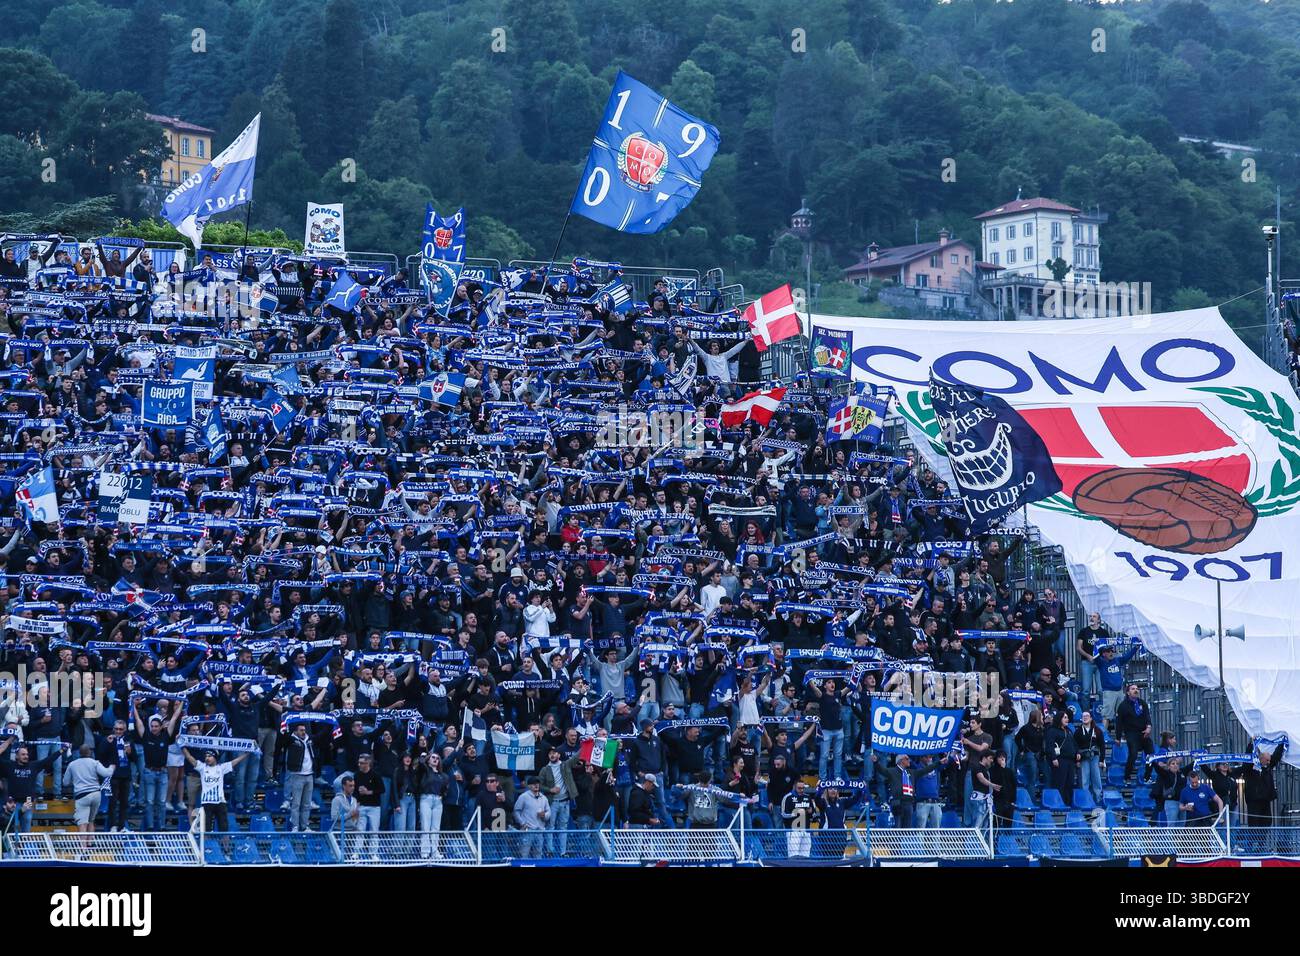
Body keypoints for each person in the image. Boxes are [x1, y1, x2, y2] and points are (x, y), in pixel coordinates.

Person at [184, 746, 250, 837]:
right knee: (206, 830)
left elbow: (236, 761)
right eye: (206, 756)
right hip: (207, 803)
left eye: (210, 756)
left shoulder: (222, 768)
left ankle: (225, 849)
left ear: (215, 757)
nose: (207, 758)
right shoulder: (202, 767)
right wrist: (182, 747)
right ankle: (206, 849)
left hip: (220, 802)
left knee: (224, 829)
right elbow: (189, 758)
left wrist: (247, 753)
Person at [62, 744, 114, 839]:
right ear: (90, 752)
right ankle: (90, 844)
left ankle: (83, 849)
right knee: (91, 820)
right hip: (96, 794)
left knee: (82, 823)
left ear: (79, 753)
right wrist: (112, 766)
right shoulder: (95, 763)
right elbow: (107, 773)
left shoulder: (72, 764)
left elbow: (65, 783)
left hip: (82, 796)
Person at [1116, 684, 1154, 783]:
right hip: (1131, 733)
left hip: (1143, 732)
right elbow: (1119, 723)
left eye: (1137, 689)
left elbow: (1147, 716)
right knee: (1133, 754)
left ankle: (1147, 777)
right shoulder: (1123, 706)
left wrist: (1149, 727)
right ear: (1128, 692)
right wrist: (1118, 737)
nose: (1136, 690)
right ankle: (1127, 776)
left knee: (1151, 754)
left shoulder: (1143, 703)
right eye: (1133, 689)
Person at [1073, 709, 1105, 807]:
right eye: (1083, 716)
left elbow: (1102, 746)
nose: (1085, 717)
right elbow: (1075, 746)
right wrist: (1077, 760)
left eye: (1087, 716)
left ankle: (1098, 799)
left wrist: (1102, 760)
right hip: (1083, 758)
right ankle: (1085, 800)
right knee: (1084, 780)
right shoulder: (1078, 732)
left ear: (1091, 718)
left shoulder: (1097, 730)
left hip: (1095, 757)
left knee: (1096, 779)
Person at [513, 776, 550, 858]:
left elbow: (548, 812)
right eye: (533, 784)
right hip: (527, 830)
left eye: (537, 784)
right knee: (524, 854)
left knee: (538, 854)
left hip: (539, 831)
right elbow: (516, 811)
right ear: (529, 786)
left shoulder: (543, 798)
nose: (536, 785)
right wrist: (522, 823)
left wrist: (544, 816)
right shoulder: (523, 797)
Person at [331, 774, 362, 859]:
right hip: (339, 832)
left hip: (351, 833)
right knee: (338, 857)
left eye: (354, 786)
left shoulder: (354, 800)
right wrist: (350, 814)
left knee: (348, 857)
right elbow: (334, 818)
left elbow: (354, 818)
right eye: (350, 786)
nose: (353, 788)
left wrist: (356, 819)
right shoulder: (336, 800)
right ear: (344, 786)